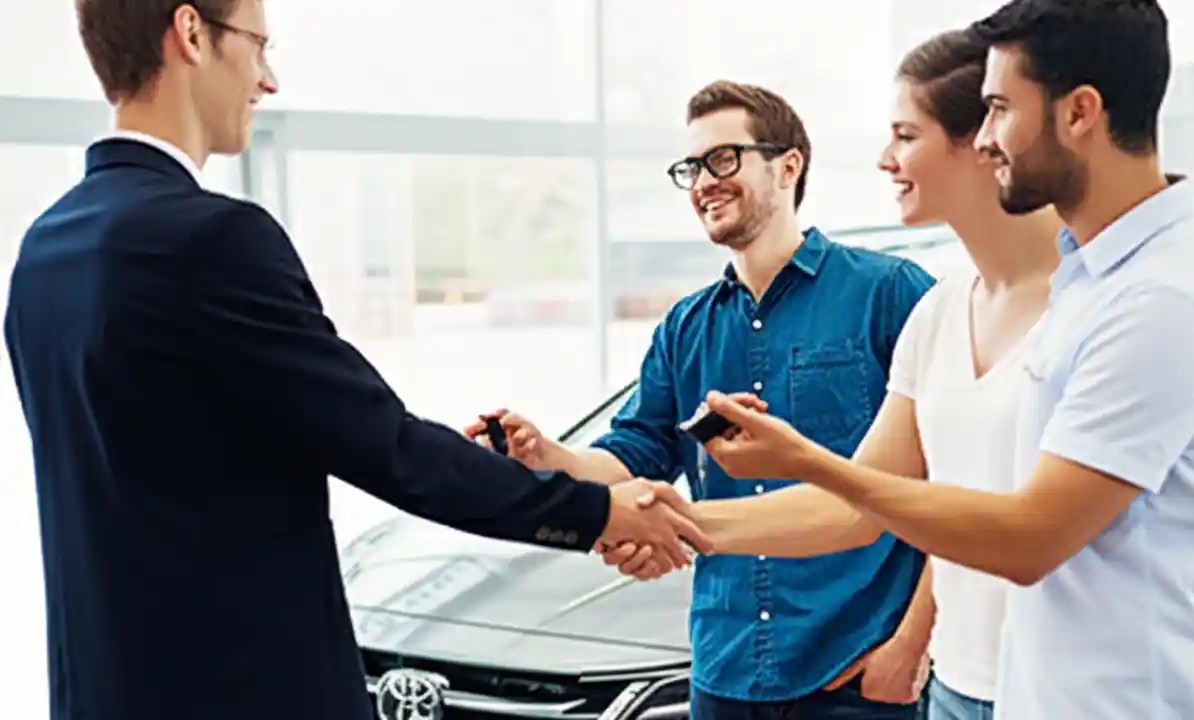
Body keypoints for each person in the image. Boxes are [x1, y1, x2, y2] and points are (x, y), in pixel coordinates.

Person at [1, 2, 707, 719]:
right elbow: (387, 447)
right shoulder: (212, 241)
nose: (268, 80)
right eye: (257, 45)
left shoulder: (44, 252)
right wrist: (596, 512)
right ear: (191, 33)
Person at [688, 1, 1194, 718]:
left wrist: (805, 460)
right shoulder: (1087, 281)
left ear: (1080, 113)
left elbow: (1029, 537)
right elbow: (905, 504)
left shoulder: (1162, 298)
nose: (989, 138)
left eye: (998, 110)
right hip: (1011, 691)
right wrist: (674, 521)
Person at [609, 27, 1061, 720]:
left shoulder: (1075, 305)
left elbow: (1015, 527)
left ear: (986, 139)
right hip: (952, 686)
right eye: (691, 166)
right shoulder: (942, 313)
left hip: (1032, 686)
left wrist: (909, 641)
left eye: (905, 135)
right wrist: (672, 519)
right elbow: (857, 508)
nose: (884, 159)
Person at [467, 80, 936, 718]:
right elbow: (637, 451)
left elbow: (956, 482)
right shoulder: (685, 327)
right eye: (691, 168)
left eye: (723, 159)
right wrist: (549, 455)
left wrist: (912, 644)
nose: (703, 182)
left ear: (788, 166)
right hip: (725, 671)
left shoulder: (892, 294)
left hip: (857, 673)